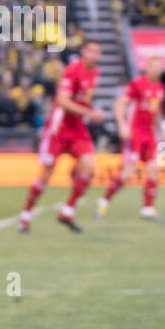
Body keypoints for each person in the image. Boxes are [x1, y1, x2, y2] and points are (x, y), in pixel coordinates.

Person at [18, 41, 104, 233]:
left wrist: (91, 110)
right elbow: (62, 101)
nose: (95, 56)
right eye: (92, 51)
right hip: (59, 127)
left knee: (90, 169)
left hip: (77, 127)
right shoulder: (73, 70)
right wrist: (90, 113)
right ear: (83, 52)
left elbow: (83, 100)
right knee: (46, 173)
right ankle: (25, 215)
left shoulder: (95, 73)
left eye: (98, 52)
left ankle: (67, 211)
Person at [98, 55, 165, 220]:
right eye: (154, 66)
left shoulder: (160, 88)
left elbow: (155, 111)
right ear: (147, 68)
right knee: (128, 173)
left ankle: (148, 208)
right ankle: (104, 200)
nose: (156, 70)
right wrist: (122, 125)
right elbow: (120, 103)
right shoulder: (137, 84)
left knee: (154, 169)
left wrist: (163, 131)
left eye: (159, 67)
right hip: (135, 134)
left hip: (149, 134)